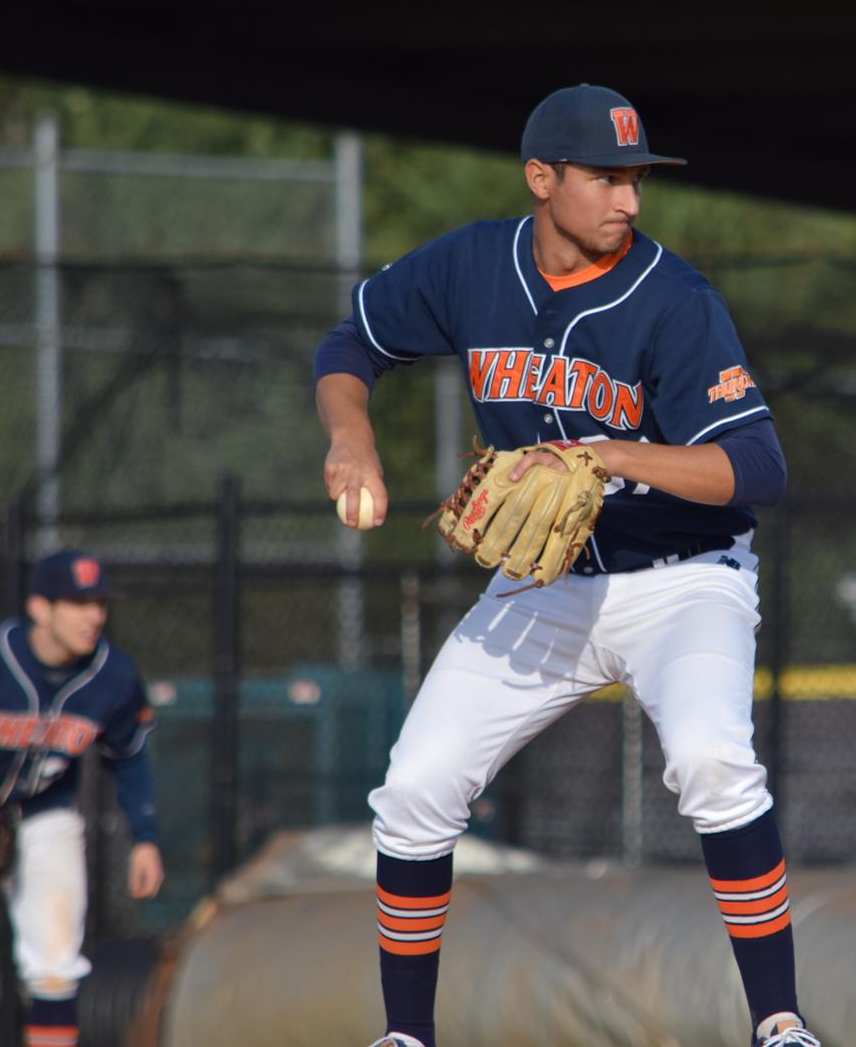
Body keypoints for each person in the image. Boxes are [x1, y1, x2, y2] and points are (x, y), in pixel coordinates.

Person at [315, 84, 818, 1047]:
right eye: (606, 177)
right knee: (415, 788)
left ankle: (782, 1023)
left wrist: (609, 452)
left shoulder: (675, 299)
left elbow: (760, 466)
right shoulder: (472, 264)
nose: (628, 199)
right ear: (541, 178)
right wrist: (352, 442)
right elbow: (353, 341)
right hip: (544, 585)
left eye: (635, 179)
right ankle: (406, 1036)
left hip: (684, 575)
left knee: (712, 759)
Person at [0, 550, 164, 1047]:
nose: (93, 615)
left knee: (56, 965)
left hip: (42, 813)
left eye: (99, 603)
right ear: (39, 608)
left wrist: (145, 837)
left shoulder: (113, 675)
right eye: (77, 603)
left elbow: (129, 754)